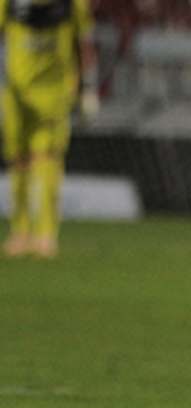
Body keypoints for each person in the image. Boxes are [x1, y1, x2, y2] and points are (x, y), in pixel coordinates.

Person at [1, 0, 99, 259]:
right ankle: (20, 233)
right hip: (16, 92)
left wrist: (89, 87)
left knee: (47, 161)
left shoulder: (73, 3)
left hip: (54, 91)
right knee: (18, 161)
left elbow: (84, 42)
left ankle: (45, 234)